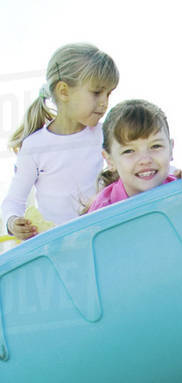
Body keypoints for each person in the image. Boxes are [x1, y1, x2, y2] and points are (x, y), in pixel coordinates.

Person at [2, 43, 119, 239]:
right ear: (64, 91)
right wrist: (12, 221)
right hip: (58, 248)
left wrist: (178, 174)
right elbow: (13, 201)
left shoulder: (106, 134)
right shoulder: (35, 147)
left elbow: (140, 164)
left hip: (101, 238)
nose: (104, 102)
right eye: (97, 93)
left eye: (109, 94)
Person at [87, 99, 182, 211]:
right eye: (128, 151)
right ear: (110, 160)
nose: (145, 160)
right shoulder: (103, 209)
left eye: (155, 146)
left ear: (171, 149)